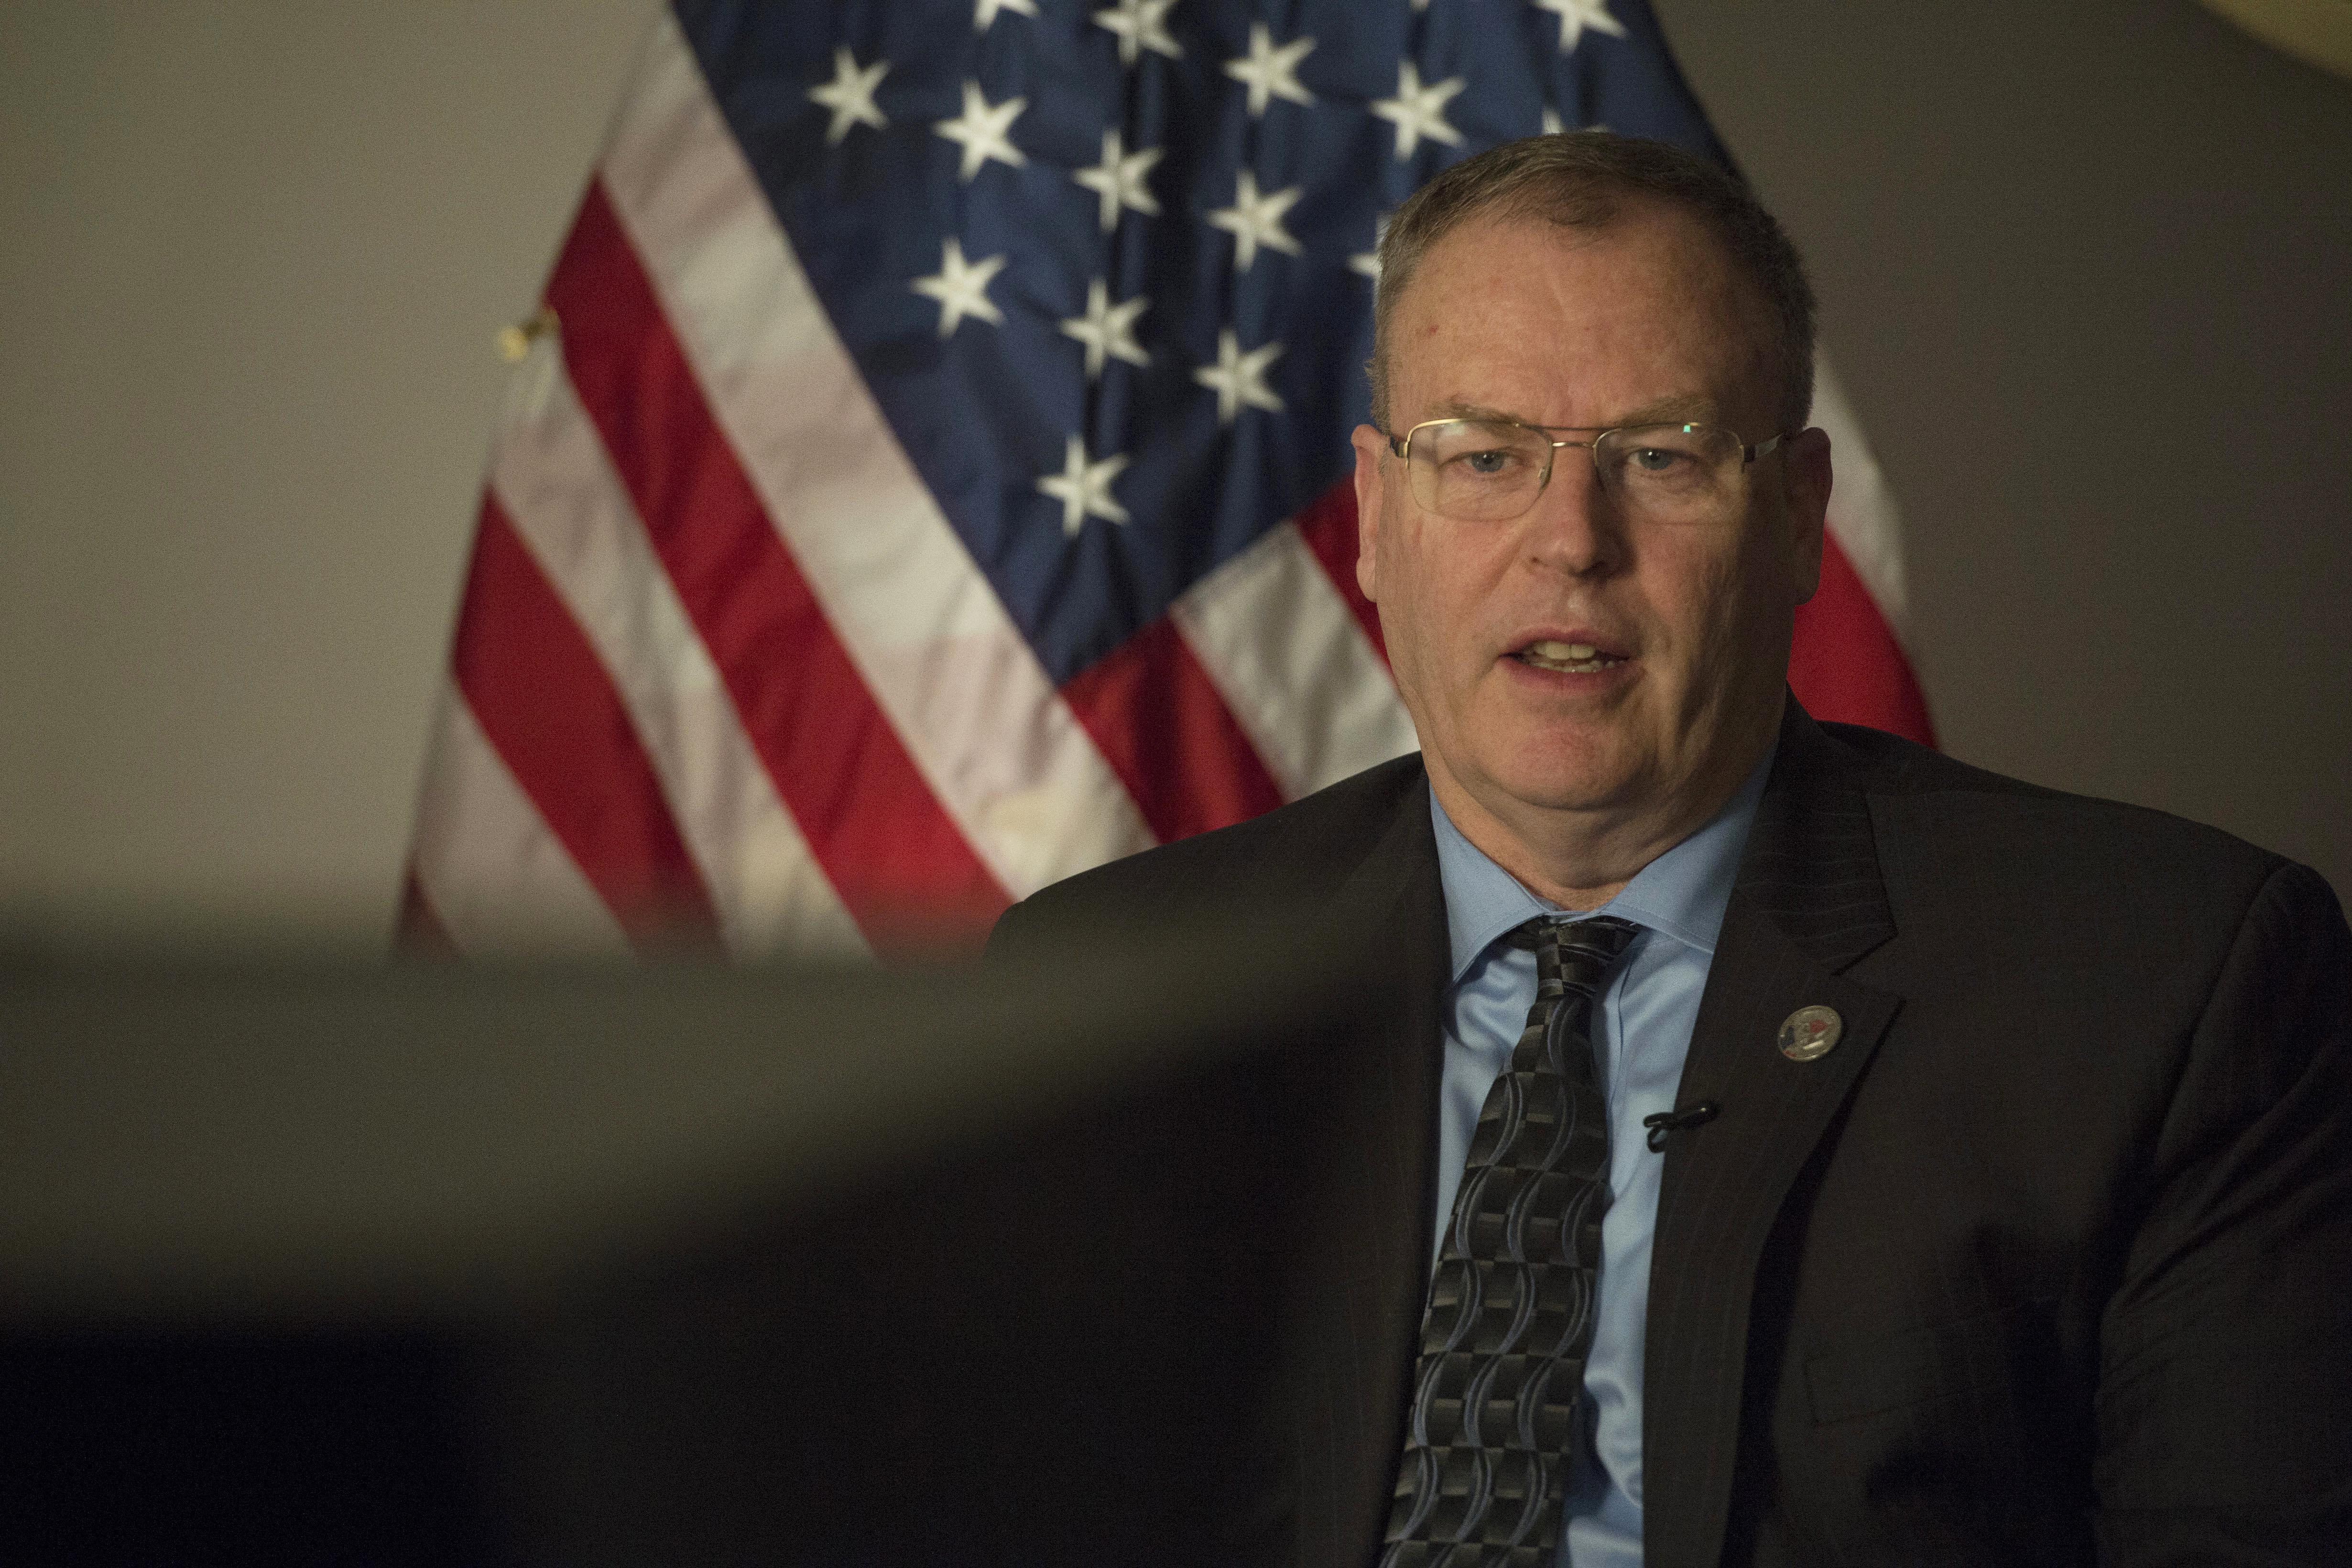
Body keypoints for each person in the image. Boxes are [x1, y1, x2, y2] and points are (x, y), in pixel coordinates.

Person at [988, 133, 2352, 1568]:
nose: (1570, 542)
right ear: (1378, 519)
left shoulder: (2165, 991)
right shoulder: (1099, 1002)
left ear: (1802, 514)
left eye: (1661, 454)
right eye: (1485, 455)